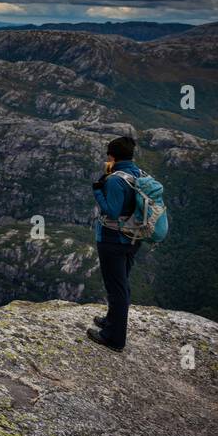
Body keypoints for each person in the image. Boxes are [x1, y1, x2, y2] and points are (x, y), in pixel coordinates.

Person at [88, 136, 143, 351]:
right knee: (121, 284)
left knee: (116, 289)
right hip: (133, 238)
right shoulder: (138, 173)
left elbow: (111, 211)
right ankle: (111, 321)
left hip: (113, 241)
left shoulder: (114, 180)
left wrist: (98, 191)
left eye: (108, 155)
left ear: (112, 156)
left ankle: (114, 338)